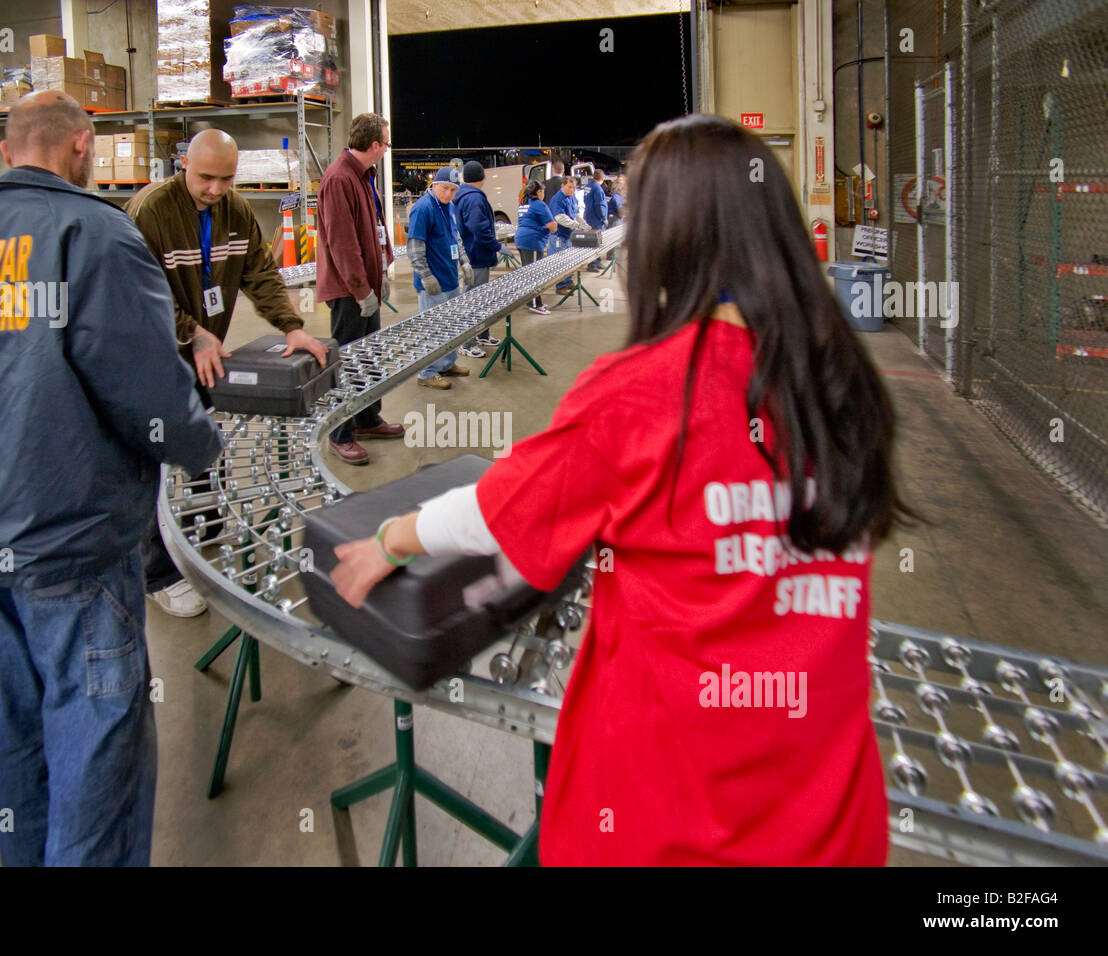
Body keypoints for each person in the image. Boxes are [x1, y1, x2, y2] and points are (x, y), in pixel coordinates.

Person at [329, 113, 912, 866]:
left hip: (667, 816)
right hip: (826, 819)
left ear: (668, 237)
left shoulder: (644, 393)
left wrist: (390, 538)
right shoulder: (843, 385)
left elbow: (503, 511)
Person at [0, 91, 224, 866]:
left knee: (23, 744)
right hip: (74, 542)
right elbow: (148, 390)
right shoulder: (95, 235)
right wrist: (203, 446)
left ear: (9, 150)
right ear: (81, 146)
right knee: (98, 760)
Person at [126, 128, 327, 616]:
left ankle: (205, 526)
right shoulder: (151, 211)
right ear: (184, 166)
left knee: (202, 440)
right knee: (150, 461)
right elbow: (137, 289)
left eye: (226, 179)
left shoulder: (235, 211)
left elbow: (259, 272)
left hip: (204, 352)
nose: (216, 189)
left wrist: (291, 326)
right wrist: (190, 332)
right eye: (205, 178)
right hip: (152, 354)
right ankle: (156, 574)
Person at [316, 112, 406, 467]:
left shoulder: (362, 176)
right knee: (349, 361)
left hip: (367, 286)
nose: (386, 149)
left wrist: (382, 269)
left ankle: (367, 419)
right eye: (385, 143)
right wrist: (360, 291)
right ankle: (340, 434)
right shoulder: (340, 179)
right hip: (349, 292)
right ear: (374, 145)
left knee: (370, 358)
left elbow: (373, 231)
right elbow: (343, 244)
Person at [408, 165, 472, 391]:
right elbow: (415, 246)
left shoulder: (450, 207)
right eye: (445, 189)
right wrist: (425, 275)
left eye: (453, 191)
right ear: (434, 185)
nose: (448, 194)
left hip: (450, 279)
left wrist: (464, 261)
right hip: (432, 283)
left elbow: (456, 238)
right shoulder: (423, 209)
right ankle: (427, 372)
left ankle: (446, 364)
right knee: (433, 328)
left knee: (451, 326)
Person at [453, 160, 505, 356]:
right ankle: (466, 344)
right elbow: (478, 228)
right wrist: (496, 245)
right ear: (482, 177)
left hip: (474, 254)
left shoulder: (464, 196)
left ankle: (482, 334)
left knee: (481, 298)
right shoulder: (474, 198)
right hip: (477, 255)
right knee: (473, 300)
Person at [512, 179, 556, 315]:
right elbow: (553, 227)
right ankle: (535, 304)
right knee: (535, 274)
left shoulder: (524, 203)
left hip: (521, 240)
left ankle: (531, 301)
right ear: (539, 192)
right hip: (533, 242)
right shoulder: (539, 204)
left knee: (529, 272)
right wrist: (545, 227)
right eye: (543, 192)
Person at [583, 169, 608, 271]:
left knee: (593, 242)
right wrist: (603, 218)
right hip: (596, 220)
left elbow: (585, 200)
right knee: (595, 242)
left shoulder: (588, 186)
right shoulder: (598, 189)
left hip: (588, 216)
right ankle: (592, 264)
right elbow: (600, 205)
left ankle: (597, 262)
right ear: (602, 179)